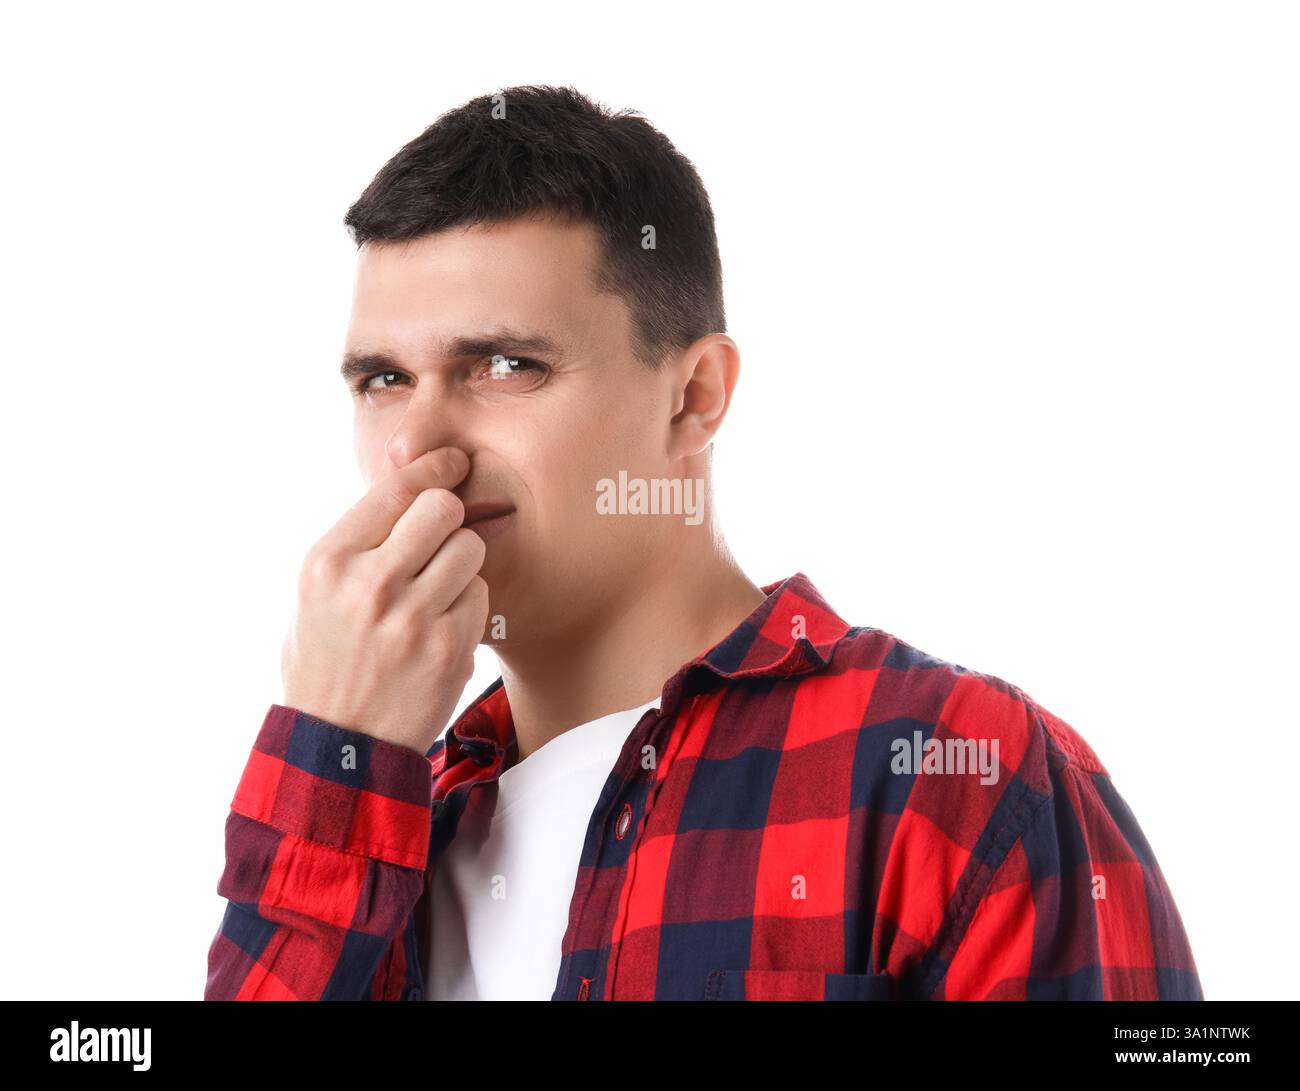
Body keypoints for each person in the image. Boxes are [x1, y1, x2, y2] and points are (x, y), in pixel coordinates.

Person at [204, 85, 1201, 1001]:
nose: (415, 443)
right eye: (382, 378)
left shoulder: (953, 771)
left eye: (504, 363)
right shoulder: (378, 824)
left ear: (694, 395)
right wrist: (334, 758)